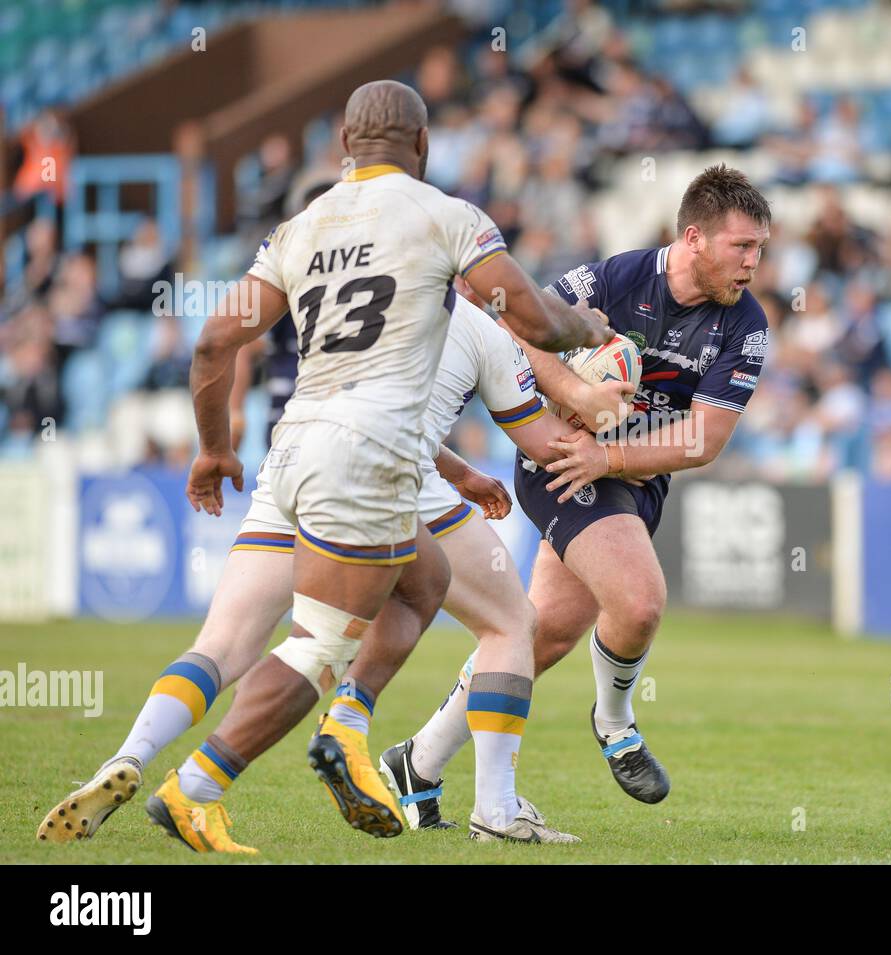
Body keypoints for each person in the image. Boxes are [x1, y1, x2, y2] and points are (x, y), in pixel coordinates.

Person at [37, 79, 607, 854]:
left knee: (411, 580)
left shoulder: (298, 227)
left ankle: (139, 752)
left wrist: (213, 446)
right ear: (424, 145)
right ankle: (199, 786)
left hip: (290, 446)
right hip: (368, 456)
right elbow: (533, 315)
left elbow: (212, 344)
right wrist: (584, 327)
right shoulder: (447, 215)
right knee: (320, 647)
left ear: (342, 144)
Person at [386, 165, 771, 814]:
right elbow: (516, 322)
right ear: (696, 237)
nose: (754, 264)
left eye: (761, 249)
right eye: (743, 247)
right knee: (640, 601)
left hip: (626, 472)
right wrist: (574, 395)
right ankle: (616, 722)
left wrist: (612, 453)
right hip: (561, 460)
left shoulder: (746, 324)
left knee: (540, 634)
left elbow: (704, 439)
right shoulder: (613, 281)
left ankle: (417, 759)